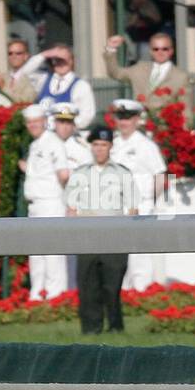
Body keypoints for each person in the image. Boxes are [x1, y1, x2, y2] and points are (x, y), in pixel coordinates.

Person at [66, 125, 137, 334]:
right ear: (91, 147)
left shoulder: (122, 173)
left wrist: (126, 233)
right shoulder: (80, 174)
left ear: (110, 147)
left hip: (114, 236)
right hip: (87, 236)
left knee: (112, 286)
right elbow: (71, 207)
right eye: (96, 145)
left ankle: (115, 327)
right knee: (88, 287)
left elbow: (132, 207)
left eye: (103, 145)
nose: (99, 149)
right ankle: (90, 329)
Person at [108, 98, 166, 291]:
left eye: (128, 118)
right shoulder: (113, 144)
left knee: (139, 253)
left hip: (141, 205)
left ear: (136, 119)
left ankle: (141, 291)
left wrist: (149, 201)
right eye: (120, 117)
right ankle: (123, 292)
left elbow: (160, 177)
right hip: (117, 207)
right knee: (118, 252)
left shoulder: (146, 145)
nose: (124, 122)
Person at [19, 104, 73, 299]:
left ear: (44, 121)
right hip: (35, 205)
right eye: (30, 122)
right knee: (36, 253)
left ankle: (56, 295)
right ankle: (37, 293)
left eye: (36, 121)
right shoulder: (35, 145)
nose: (33, 125)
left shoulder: (53, 142)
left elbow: (64, 174)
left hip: (50, 202)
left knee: (52, 253)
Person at [15, 44, 96, 129]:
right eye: (57, 60)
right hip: (43, 134)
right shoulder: (44, 79)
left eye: (63, 60)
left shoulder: (81, 85)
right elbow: (24, 73)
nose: (60, 63)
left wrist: (66, 128)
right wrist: (44, 54)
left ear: (71, 61)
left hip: (66, 135)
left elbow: (87, 115)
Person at [104, 33, 189, 111]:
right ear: (150, 51)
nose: (160, 52)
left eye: (165, 49)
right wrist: (111, 49)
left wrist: (186, 127)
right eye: (156, 49)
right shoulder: (140, 68)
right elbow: (116, 73)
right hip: (140, 122)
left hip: (165, 125)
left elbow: (186, 108)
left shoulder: (181, 76)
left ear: (171, 51)